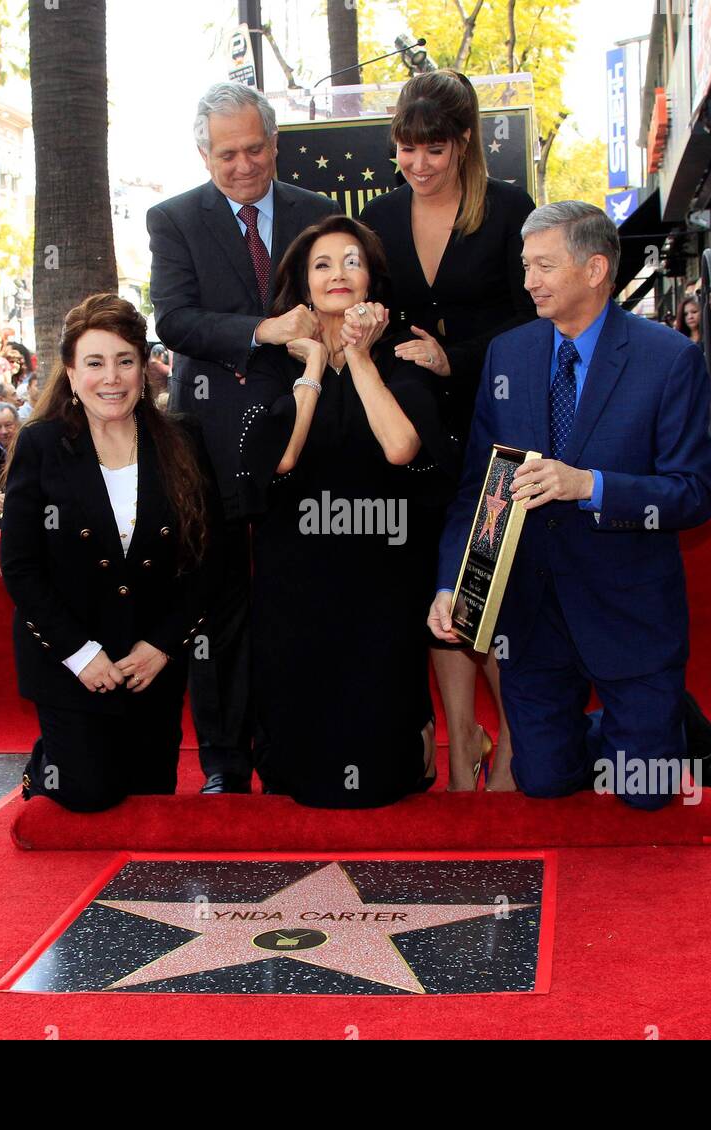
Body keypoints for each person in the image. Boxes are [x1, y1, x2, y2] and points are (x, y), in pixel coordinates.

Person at [428, 201, 711, 808]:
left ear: (594, 269)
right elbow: (478, 487)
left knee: (647, 795)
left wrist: (591, 486)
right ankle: (624, 736)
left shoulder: (669, 360)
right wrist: (451, 583)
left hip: (629, 607)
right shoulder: (509, 356)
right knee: (546, 782)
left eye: (544, 266)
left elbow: (693, 495)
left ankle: (664, 730)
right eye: (526, 265)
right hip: (533, 613)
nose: (528, 280)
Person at [147, 81, 339, 794]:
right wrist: (267, 330)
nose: (243, 165)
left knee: (300, 597)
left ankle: (299, 743)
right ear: (204, 154)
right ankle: (224, 759)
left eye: (255, 148)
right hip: (210, 440)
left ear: (276, 143)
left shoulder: (318, 215)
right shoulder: (171, 221)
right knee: (217, 605)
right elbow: (174, 320)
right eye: (227, 154)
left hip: (311, 430)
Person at [360, 68, 537, 792]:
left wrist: (452, 356)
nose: (420, 164)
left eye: (434, 149)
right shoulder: (379, 212)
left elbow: (534, 318)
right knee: (434, 583)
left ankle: (520, 744)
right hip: (416, 433)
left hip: (495, 421)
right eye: (407, 148)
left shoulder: (508, 208)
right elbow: (370, 302)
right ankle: (462, 744)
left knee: (483, 581)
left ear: (463, 143)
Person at [240, 215, 454, 807]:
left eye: (351, 261)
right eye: (322, 264)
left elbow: (400, 447)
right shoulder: (273, 364)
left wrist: (359, 357)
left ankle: (402, 762)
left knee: (381, 754)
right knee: (300, 756)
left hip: (383, 572)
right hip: (295, 571)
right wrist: (311, 366)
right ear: (303, 285)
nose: (338, 273)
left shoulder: (402, 354)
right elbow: (280, 458)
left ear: (371, 280)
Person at [1, 293, 219, 813]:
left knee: (148, 798)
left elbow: (209, 559)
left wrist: (164, 644)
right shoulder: (41, 445)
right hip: (68, 657)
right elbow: (21, 568)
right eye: (95, 363)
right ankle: (44, 764)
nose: (112, 378)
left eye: (125, 361)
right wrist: (79, 653)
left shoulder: (182, 439)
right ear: (72, 374)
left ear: (145, 369)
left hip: (149, 661)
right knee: (89, 796)